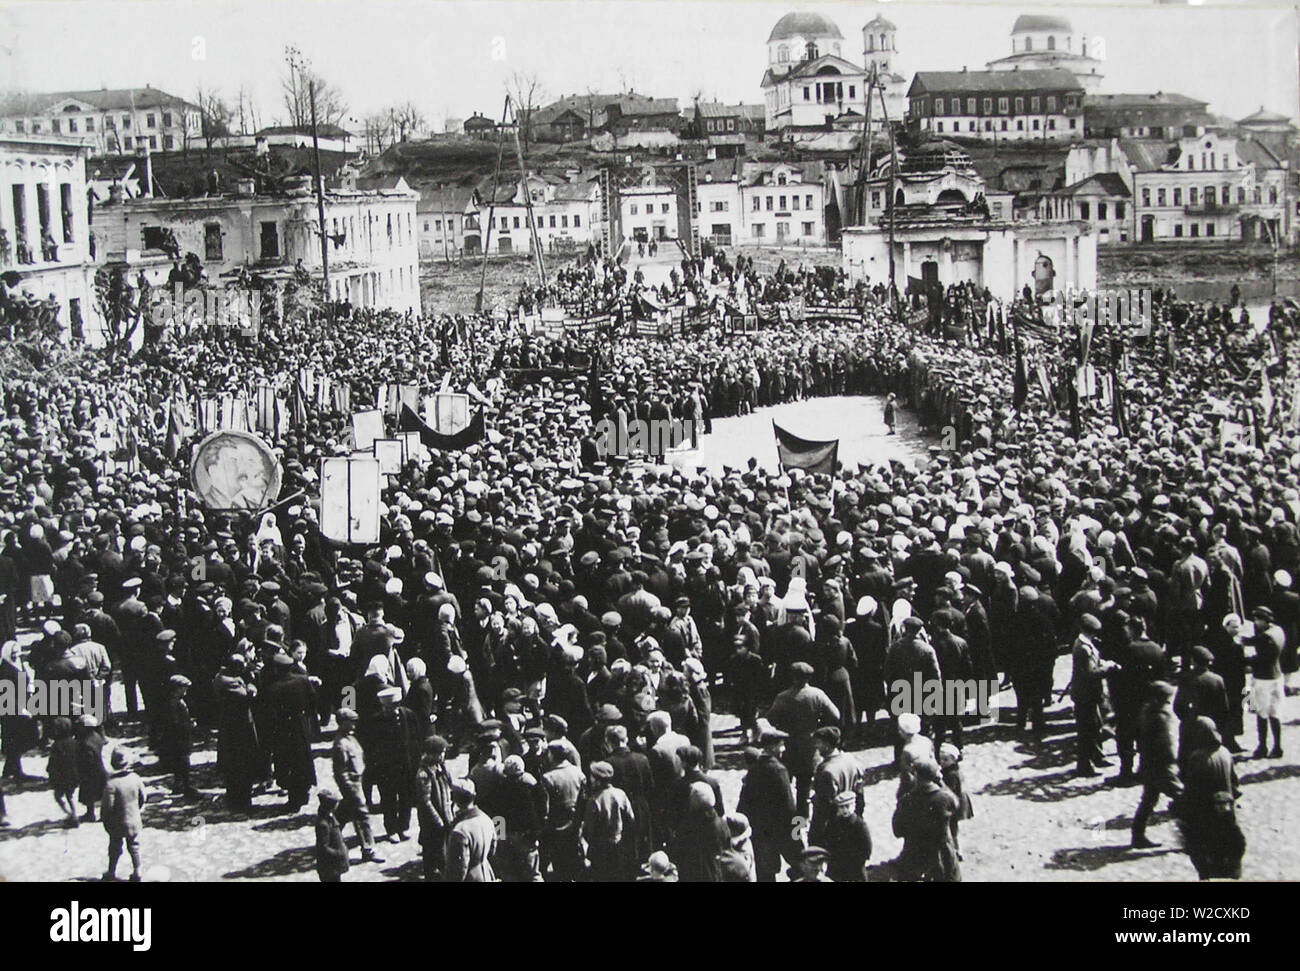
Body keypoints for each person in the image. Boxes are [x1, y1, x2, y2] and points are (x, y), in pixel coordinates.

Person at [765, 661, 840, 819]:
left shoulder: (783, 697)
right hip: (810, 748)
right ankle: (801, 820)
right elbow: (835, 715)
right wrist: (819, 727)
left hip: (788, 747)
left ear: (792, 677)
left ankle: (785, 817)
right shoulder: (817, 695)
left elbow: (770, 719)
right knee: (804, 789)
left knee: (784, 785)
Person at [1177, 716, 1245, 880]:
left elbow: (1192, 788)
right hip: (1226, 809)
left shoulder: (1197, 757)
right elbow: (1235, 783)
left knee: (1204, 850)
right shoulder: (1225, 752)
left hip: (1206, 812)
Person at [891, 757, 961, 882]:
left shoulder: (906, 801)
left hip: (915, 855)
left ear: (916, 776)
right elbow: (955, 803)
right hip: (942, 855)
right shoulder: (945, 798)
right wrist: (941, 783)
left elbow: (897, 831)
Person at [1132, 682, 1183, 849]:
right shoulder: (1159, 717)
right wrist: (1173, 761)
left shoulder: (1146, 712)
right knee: (1182, 798)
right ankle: (1189, 837)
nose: (1168, 701)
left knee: (1148, 800)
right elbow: (1165, 744)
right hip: (1162, 766)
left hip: (1148, 764)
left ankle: (1137, 836)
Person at [332, 708, 384, 864]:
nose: (354, 725)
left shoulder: (350, 738)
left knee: (342, 815)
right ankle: (368, 850)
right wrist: (350, 790)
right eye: (351, 722)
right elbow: (340, 772)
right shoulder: (341, 744)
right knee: (363, 817)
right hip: (352, 785)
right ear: (343, 723)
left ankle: (329, 837)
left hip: (358, 781)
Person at [582, 760, 637, 882]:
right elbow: (631, 820)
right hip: (620, 846)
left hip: (601, 850)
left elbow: (589, 830)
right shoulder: (620, 794)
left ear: (597, 780)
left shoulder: (594, 800)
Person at [101, 746, 146, 882]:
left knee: (114, 847)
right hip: (134, 819)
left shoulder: (111, 784)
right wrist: (137, 810)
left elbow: (107, 807)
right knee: (134, 846)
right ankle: (137, 871)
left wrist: (106, 821)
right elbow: (143, 797)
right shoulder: (136, 778)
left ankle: (111, 871)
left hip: (117, 822)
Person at [412, 734, 455, 879]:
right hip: (432, 823)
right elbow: (425, 801)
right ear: (433, 753)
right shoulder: (424, 774)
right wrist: (438, 821)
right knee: (432, 853)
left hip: (445, 817)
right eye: (441, 752)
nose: (443, 755)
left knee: (443, 852)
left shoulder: (441, 768)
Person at [445, 778, 497, 882]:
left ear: (454, 797)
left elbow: (459, 870)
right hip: (486, 874)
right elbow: (492, 851)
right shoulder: (487, 819)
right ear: (474, 796)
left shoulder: (461, 830)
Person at [822, 790, 872, 882]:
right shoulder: (834, 824)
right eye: (841, 807)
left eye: (847, 806)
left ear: (854, 806)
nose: (844, 810)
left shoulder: (860, 826)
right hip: (836, 868)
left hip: (854, 870)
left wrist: (854, 862)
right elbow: (827, 841)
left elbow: (867, 850)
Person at [314, 789, 350, 883]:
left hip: (334, 865)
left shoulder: (330, 818)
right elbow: (323, 847)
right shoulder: (323, 825)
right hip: (329, 867)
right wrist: (338, 853)